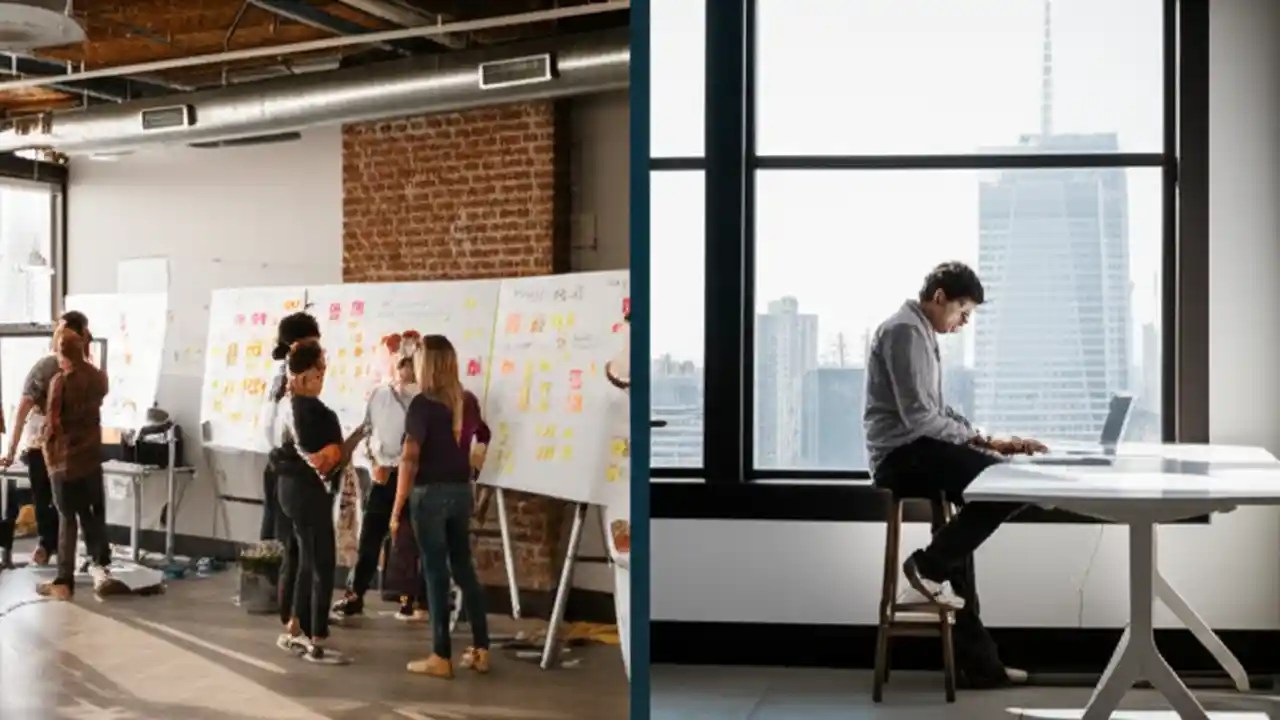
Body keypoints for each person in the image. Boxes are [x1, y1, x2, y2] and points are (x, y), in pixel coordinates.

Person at [863, 261, 1046, 689]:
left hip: (915, 448)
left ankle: (980, 665)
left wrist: (988, 440)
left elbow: (938, 411)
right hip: (901, 455)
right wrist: (983, 444)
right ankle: (925, 566)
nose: (964, 323)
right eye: (963, 312)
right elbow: (921, 419)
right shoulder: (905, 332)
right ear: (940, 297)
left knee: (968, 526)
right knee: (1006, 486)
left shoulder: (921, 333)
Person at [392, 334, 491, 679]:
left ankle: (441, 656)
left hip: (429, 496)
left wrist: (397, 506)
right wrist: (472, 469)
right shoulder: (467, 401)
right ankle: (481, 649)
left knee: (434, 574)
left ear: (426, 365)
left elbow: (409, 459)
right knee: (463, 568)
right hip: (460, 492)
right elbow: (484, 437)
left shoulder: (422, 405)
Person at [332, 332, 428, 622]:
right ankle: (355, 593)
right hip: (383, 475)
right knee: (370, 537)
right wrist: (362, 457)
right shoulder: (380, 394)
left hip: (412, 476)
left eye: (411, 361)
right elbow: (367, 428)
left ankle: (409, 597)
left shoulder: (424, 399)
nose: (405, 366)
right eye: (401, 360)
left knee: (410, 539)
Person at [271, 339, 348, 664]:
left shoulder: (280, 406)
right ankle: (314, 634)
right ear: (303, 377)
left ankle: (294, 623)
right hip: (307, 492)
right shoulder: (315, 412)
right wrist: (336, 453)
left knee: (301, 556)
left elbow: (277, 453)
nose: (323, 378)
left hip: (288, 489)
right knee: (320, 561)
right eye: (319, 372)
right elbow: (330, 456)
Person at [1, 312, 96, 568]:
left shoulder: (88, 371)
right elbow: (23, 409)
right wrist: (11, 449)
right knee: (45, 497)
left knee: (73, 501)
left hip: (73, 445)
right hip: (42, 444)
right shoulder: (46, 368)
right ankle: (46, 543)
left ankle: (86, 555)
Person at [35, 331, 113, 600]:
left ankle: (64, 580)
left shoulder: (60, 381)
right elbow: (100, 397)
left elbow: (53, 422)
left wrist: (43, 442)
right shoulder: (98, 377)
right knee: (92, 515)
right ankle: (100, 570)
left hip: (65, 461)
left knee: (67, 519)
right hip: (91, 458)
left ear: (60, 352)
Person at [260, 312, 321, 542]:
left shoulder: (279, 372)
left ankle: (274, 575)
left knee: (278, 532)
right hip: (292, 463)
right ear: (298, 345)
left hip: (279, 459)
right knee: (290, 540)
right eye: (313, 343)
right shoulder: (293, 378)